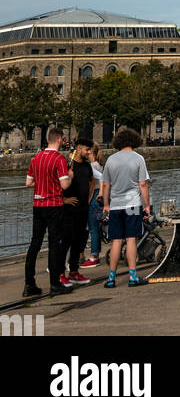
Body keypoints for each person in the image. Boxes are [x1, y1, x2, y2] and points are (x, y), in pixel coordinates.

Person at [23, 126, 73, 298]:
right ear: (59, 139)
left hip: (38, 205)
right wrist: (70, 176)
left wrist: (42, 181)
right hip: (54, 205)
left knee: (34, 244)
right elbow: (65, 185)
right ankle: (55, 283)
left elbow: (28, 183)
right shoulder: (59, 159)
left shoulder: (35, 159)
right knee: (54, 244)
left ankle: (29, 284)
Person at [101, 127, 151, 288]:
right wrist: (147, 205)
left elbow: (106, 185)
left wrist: (107, 204)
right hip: (132, 205)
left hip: (115, 205)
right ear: (134, 141)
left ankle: (111, 278)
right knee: (131, 239)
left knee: (116, 240)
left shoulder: (111, 160)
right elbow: (143, 184)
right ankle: (132, 276)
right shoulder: (138, 159)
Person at [59, 137, 96, 285]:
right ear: (79, 149)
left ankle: (74, 271)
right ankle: (60, 273)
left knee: (78, 242)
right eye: (87, 150)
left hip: (82, 209)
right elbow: (57, 183)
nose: (89, 153)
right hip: (68, 210)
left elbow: (92, 180)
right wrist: (63, 200)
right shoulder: (68, 164)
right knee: (65, 242)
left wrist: (89, 197)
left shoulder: (87, 166)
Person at [81, 139, 103, 268]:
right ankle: (95, 254)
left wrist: (87, 201)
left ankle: (94, 255)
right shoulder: (99, 164)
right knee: (96, 228)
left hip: (94, 196)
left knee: (93, 228)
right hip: (99, 197)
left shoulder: (92, 166)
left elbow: (92, 185)